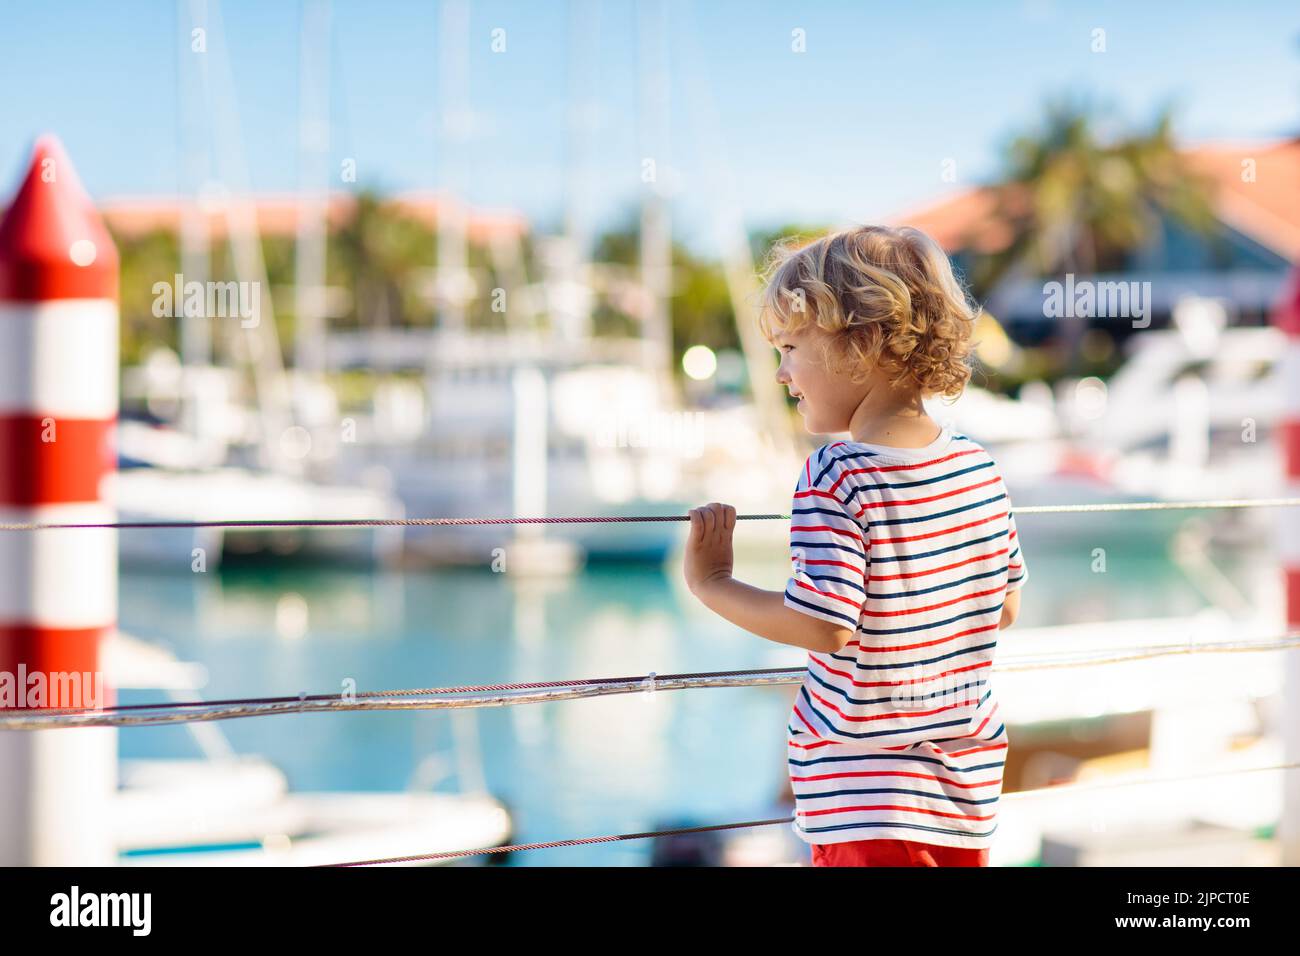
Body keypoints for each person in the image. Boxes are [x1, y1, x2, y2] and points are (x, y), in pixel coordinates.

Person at [683, 224, 1028, 867]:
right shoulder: (979, 467)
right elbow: (1002, 608)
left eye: (788, 347)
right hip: (964, 795)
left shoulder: (836, 474)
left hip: (865, 804)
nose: (782, 373)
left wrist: (714, 583)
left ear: (861, 345)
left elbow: (824, 625)